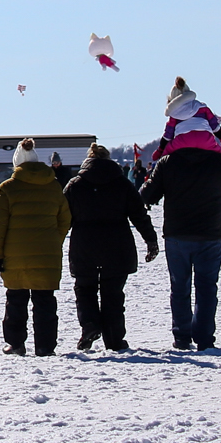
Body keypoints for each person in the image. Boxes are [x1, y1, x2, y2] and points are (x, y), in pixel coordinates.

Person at [140, 81, 221, 352]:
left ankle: (181, 336)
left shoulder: (168, 163)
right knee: (206, 289)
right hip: (210, 234)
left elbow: (145, 195)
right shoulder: (218, 162)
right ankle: (204, 338)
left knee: (179, 289)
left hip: (177, 234)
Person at [63, 144, 158, 351]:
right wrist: (151, 240)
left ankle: (89, 325)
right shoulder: (122, 184)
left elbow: (62, 219)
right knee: (113, 294)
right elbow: (139, 215)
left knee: (84, 288)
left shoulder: (74, 185)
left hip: (84, 244)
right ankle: (115, 339)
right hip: (117, 244)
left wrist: (53, 243)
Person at [0, 137, 71, 356]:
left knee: (16, 300)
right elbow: (65, 219)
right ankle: (45, 346)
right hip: (47, 254)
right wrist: (55, 240)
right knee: (45, 302)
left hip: (15, 256)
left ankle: (15, 343)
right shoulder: (53, 186)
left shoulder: (7, 188)